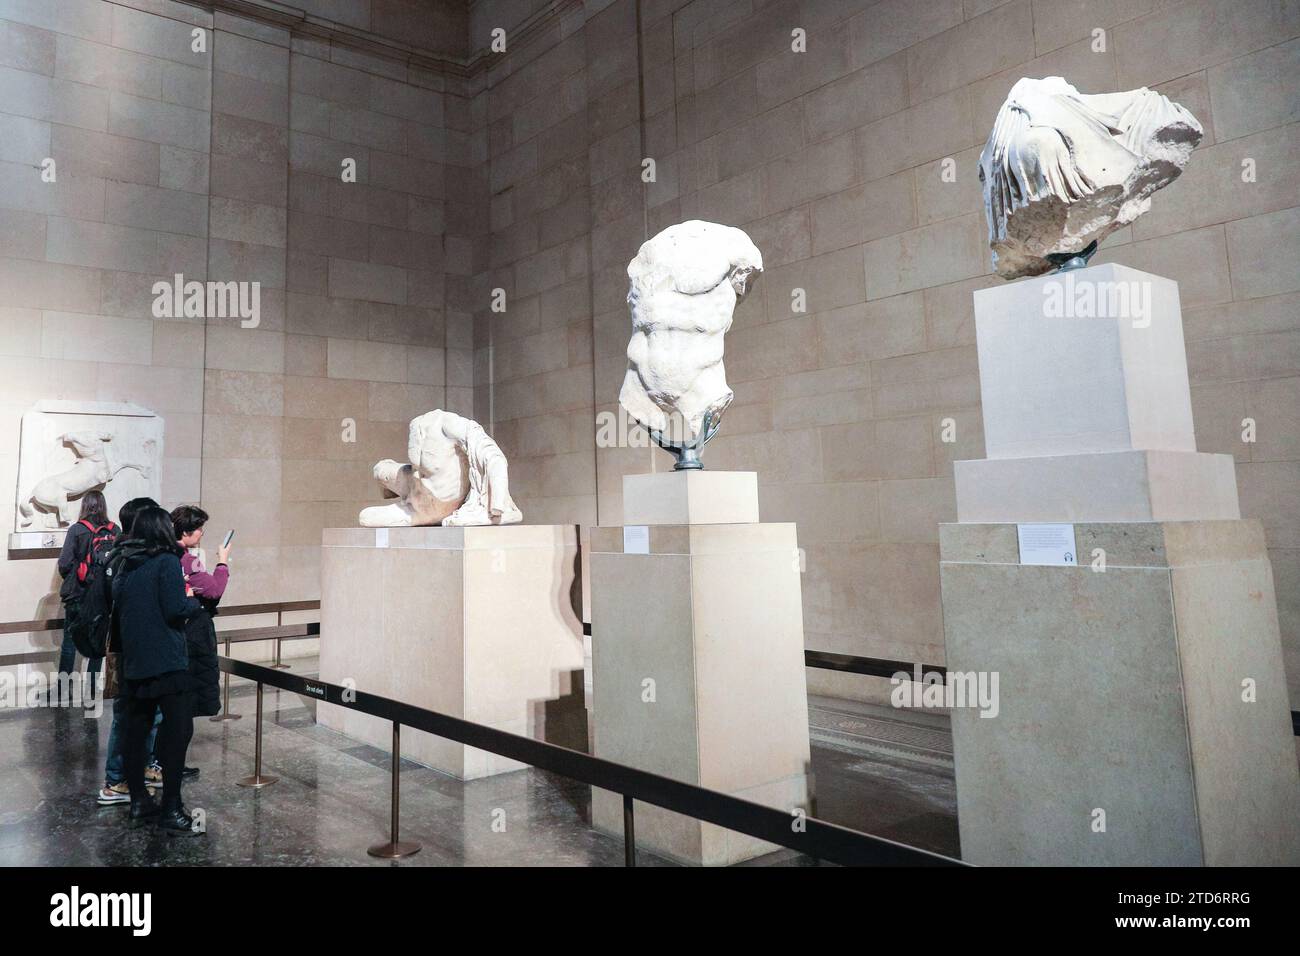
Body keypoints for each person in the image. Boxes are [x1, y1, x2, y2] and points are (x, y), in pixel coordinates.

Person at [112, 506, 202, 834]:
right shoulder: (166, 561)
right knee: (177, 733)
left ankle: (139, 800)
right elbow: (175, 608)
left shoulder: (124, 561)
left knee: (136, 733)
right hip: (167, 661)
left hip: (135, 661)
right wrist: (194, 603)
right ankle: (171, 808)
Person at [97, 497, 168, 806]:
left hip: (134, 647)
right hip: (128, 649)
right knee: (126, 715)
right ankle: (116, 780)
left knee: (149, 713)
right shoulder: (124, 558)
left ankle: (142, 768)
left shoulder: (125, 556)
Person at [55, 491, 116, 700]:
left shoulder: (77, 530)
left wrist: (76, 577)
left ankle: (64, 689)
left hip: (79, 595)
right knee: (98, 642)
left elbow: (64, 563)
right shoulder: (114, 530)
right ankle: (91, 689)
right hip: (104, 598)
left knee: (69, 643)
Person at [172, 505, 230, 724]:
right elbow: (214, 590)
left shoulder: (165, 554)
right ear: (186, 531)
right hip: (193, 633)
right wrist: (222, 561)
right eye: (199, 528)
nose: (201, 533)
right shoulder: (188, 560)